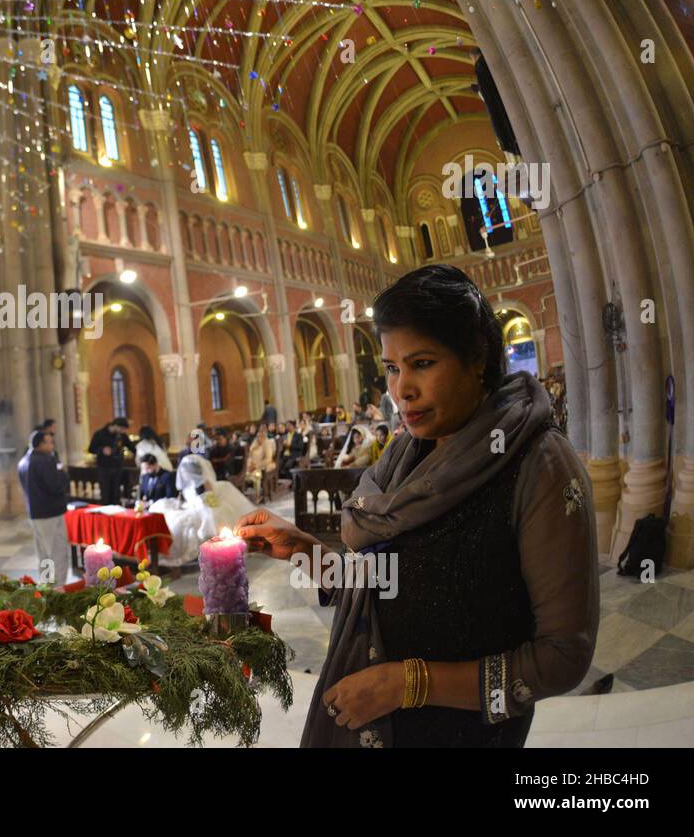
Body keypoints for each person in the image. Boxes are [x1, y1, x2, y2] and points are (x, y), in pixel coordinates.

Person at [236, 264, 598, 747]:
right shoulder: (411, 455)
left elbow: (562, 659)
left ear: (477, 358)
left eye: (422, 363)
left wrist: (409, 684)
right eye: (391, 368)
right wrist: (306, 551)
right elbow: (392, 585)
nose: (401, 389)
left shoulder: (539, 465)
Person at [17, 430, 71, 585]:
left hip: (36, 513)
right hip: (51, 513)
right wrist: (63, 473)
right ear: (41, 444)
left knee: (44, 554)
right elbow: (56, 485)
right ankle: (58, 590)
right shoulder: (45, 461)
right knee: (58, 553)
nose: (52, 445)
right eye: (49, 442)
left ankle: (46, 586)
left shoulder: (24, 461)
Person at [88, 416, 135, 505]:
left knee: (116, 494)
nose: (123, 431)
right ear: (115, 425)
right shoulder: (99, 434)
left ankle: (115, 516)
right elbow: (91, 449)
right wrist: (102, 450)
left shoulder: (122, 436)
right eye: (121, 429)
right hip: (104, 468)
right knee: (106, 494)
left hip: (117, 468)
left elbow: (131, 447)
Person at [245, 426, 277, 501]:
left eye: (261, 436)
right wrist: (250, 464)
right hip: (253, 464)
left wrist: (256, 466)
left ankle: (257, 496)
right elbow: (250, 455)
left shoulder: (267, 442)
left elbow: (268, 459)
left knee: (257, 475)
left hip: (265, 465)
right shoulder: (254, 442)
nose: (260, 438)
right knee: (246, 473)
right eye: (258, 436)